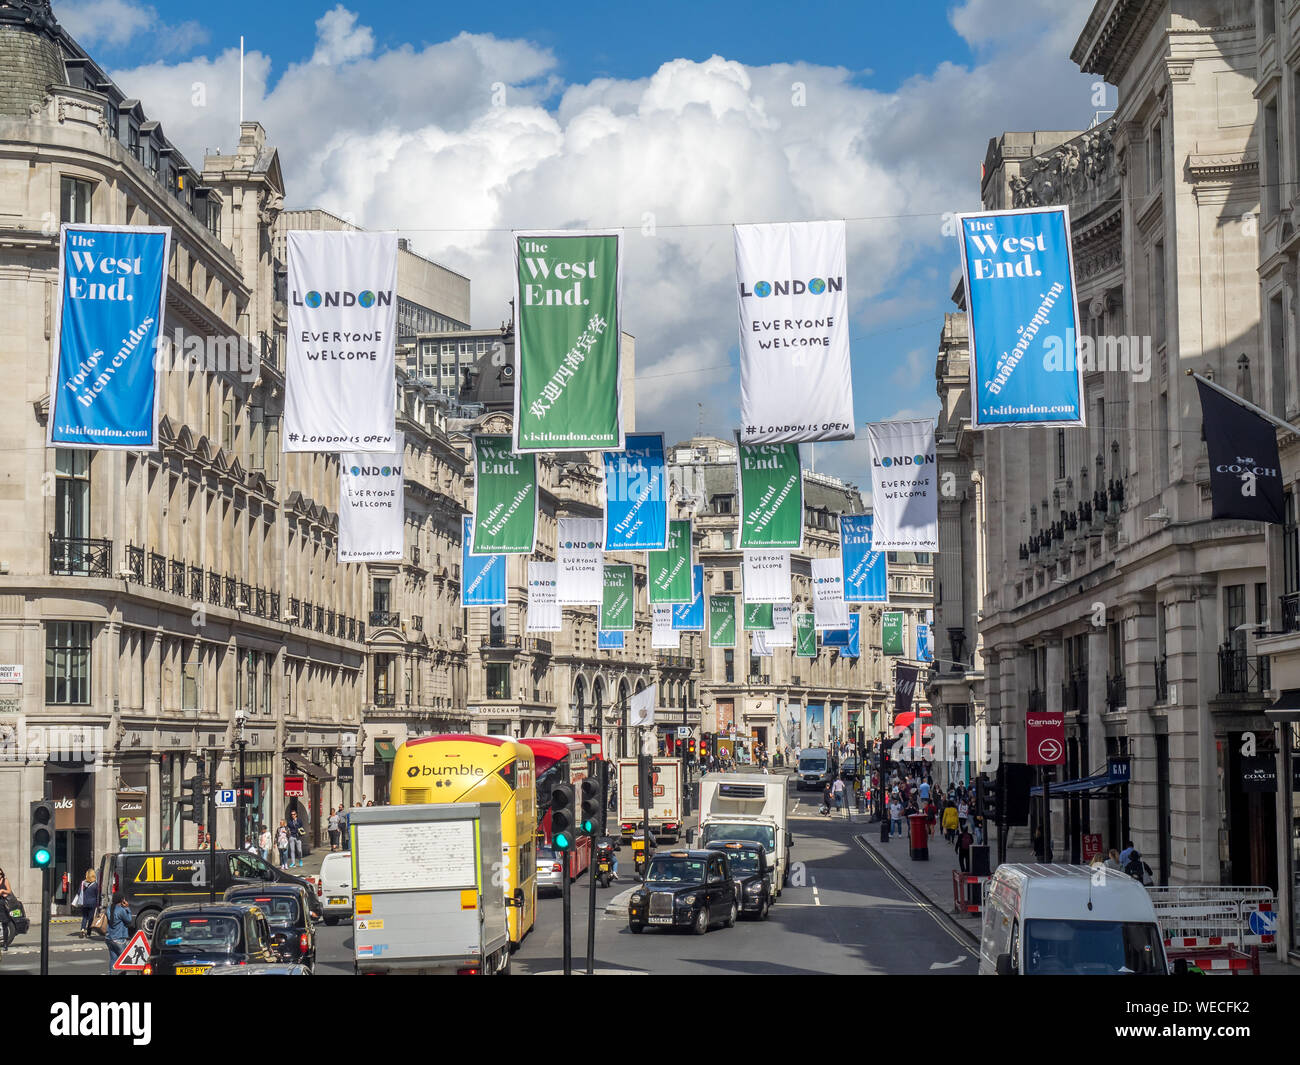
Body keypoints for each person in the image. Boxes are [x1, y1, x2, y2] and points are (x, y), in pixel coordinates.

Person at [105, 893, 132, 974]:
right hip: (119, 938)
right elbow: (129, 920)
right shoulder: (121, 910)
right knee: (124, 960)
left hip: (109, 938)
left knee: (113, 959)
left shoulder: (109, 908)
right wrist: (127, 908)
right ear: (121, 900)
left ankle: (111, 973)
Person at [77, 869, 100, 938]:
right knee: (90, 918)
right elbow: (97, 894)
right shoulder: (95, 885)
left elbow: (79, 892)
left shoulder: (83, 883)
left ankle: (82, 929)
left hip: (84, 902)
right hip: (92, 903)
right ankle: (89, 932)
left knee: (84, 917)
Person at [0, 867, 15, 951]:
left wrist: (2, 890)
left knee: (5, 924)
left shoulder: (5, 881)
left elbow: (9, 891)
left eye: (0, 873)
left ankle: (5, 944)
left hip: (1, 903)